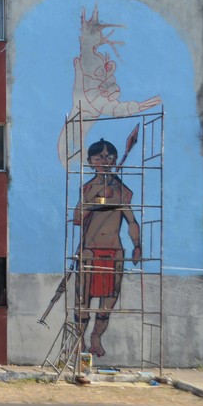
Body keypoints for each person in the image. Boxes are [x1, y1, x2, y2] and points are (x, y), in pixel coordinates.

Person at [72, 138, 141, 358]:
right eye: (99, 157)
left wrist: (137, 245)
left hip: (114, 250)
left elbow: (131, 220)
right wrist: (96, 199)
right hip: (89, 250)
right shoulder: (87, 188)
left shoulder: (121, 190)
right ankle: (79, 341)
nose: (104, 160)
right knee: (83, 299)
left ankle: (96, 338)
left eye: (109, 156)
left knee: (109, 299)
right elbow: (77, 218)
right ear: (90, 161)